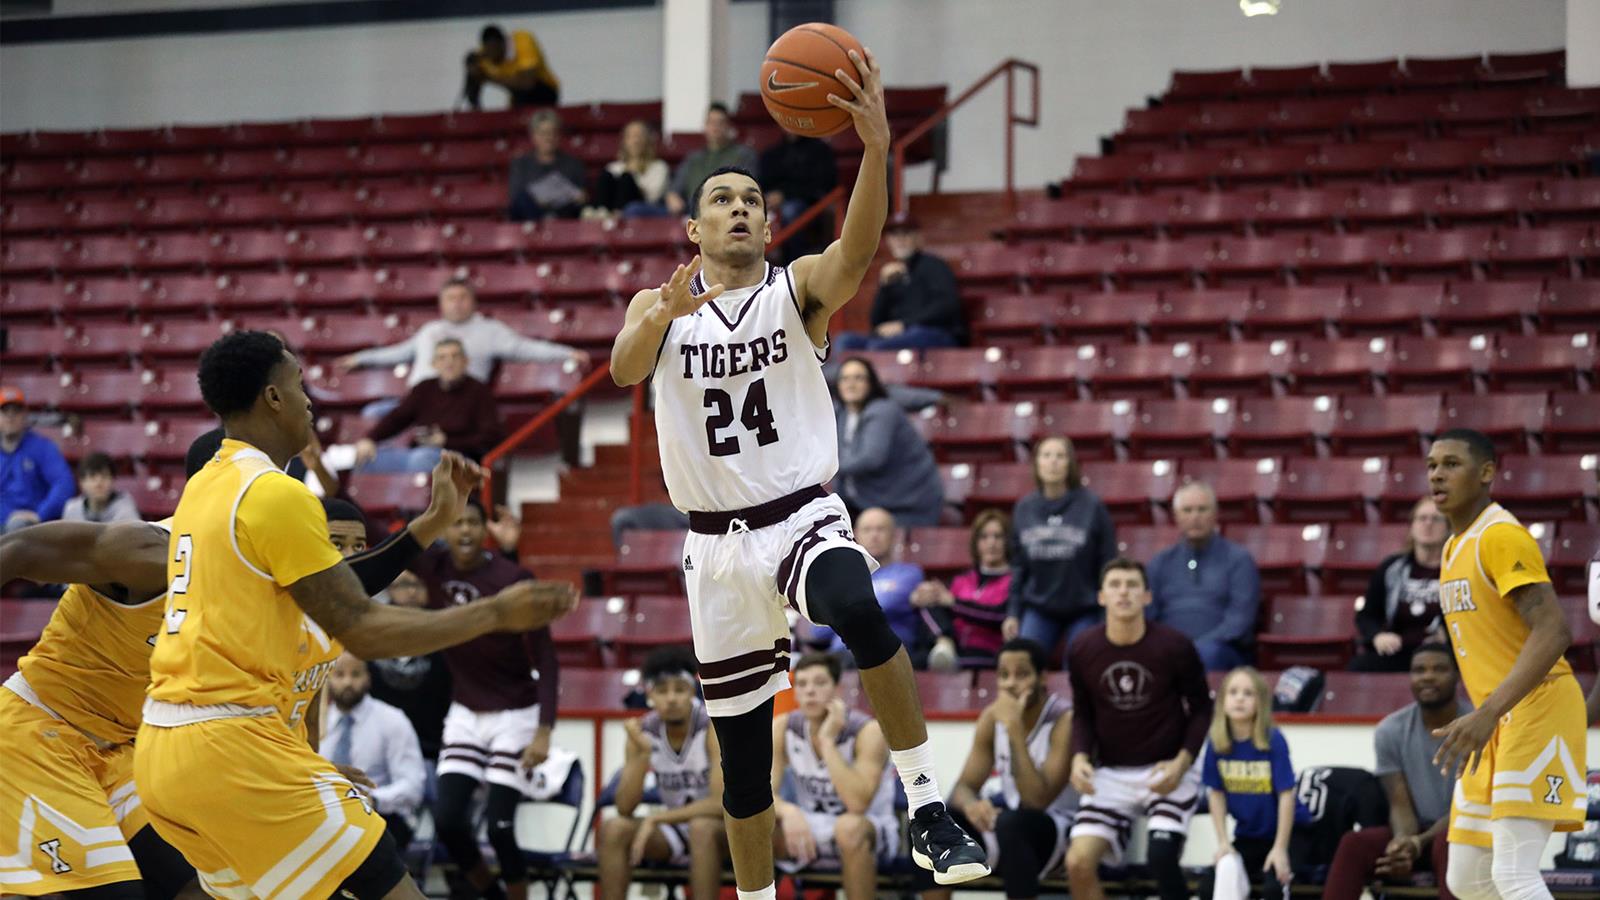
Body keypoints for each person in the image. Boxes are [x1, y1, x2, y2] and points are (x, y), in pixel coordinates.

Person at [608, 46, 989, 896]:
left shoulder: (796, 288)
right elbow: (624, 370)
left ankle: (927, 805)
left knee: (856, 604)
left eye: (752, 200)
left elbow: (858, 249)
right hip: (715, 549)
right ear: (694, 229)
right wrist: (660, 315)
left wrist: (876, 149)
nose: (739, 209)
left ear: (768, 225)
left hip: (799, 516)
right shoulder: (659, 309)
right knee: (744, 772)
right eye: (722, 200)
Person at [132, 330, 577, 900]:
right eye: (298, 384)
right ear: (273, 397)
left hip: (163, 749)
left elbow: (340, 586)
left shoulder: (205, 486)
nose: (309, 401)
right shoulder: (275, 493)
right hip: (233, 746)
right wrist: (495, 612)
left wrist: (430, 524)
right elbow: (362, 627)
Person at [0, 432, 500, 899]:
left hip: (126, 748)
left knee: (192, 884)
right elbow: (18, 549)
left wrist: (430, 523)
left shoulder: (244, 567)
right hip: (43, 727)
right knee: (113, 892)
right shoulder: (146, 549)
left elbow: (341, 588)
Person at [1426, 428, 1587, 900]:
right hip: (1494, 718)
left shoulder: (1500, 536)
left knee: (1514, 872)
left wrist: (1490, 712)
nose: (1437, 475)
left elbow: (1555, 631)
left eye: (1451, 464)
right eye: (1432, 465)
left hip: (1534, 708)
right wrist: (1489, 715)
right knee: (1466, 878)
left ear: (1486, 473)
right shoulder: (1453, 546)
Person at [412, 499, 562, 900]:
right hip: (465, 711)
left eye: (473, 523)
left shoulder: (515, 577)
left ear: (485, 531)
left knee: (500, 827)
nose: (464, 530)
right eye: (456, 523)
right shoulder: (435, 569)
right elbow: (379, 536)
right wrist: (333, 479)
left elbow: (547, 659)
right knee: (447, 821)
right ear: (443, 531)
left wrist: (544, 730)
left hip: (516, 713)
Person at [1064, 557, 1212, 900]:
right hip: (1111, 774)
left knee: (1160, 857)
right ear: (1101, 596)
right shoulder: (1083, 648)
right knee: (1077, 863)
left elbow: (1202, 709)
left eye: (1132, 585)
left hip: (1168, 768)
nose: (1124, 592)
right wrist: (1079, 757)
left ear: (1147, 596)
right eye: (1115, 585)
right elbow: (1083, 713)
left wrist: (1182, 762)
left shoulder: (1175, 645)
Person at [929, 638, 1077, 900]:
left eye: (1022, 675)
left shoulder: (1064, 720)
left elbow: (1036, 801)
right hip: (1012, 830)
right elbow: (962, 787)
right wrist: (973, 806)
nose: (1010, 683)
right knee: (934, 823)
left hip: (1063, 832)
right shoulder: (992, 717)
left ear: (1042, 678)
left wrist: (1015, 730)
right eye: (1003, 675)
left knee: (1013, 824)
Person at [1322, 642, 1468, 900]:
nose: (1428, 676)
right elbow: (1399, 802)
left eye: (1439, 669)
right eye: (1419, 670)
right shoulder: (1390, 730)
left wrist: (1420, 842)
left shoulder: (1477, 726)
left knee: (1448, 841)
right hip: (1416, 833)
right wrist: (1402, 842)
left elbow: (1470, 808)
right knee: (1354, 843)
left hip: (1467, 832)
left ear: (1457, 676)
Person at [598, 646, 727, 900]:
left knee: (701, 828)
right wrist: (642, 755)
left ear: (692, 691)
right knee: (613, 828)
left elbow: (719, 803)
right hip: (674, 829)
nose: (671, 698)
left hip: (719, 828)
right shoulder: (643, 730)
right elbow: (625, 807)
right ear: (650, 695)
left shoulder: (713, 726)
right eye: (662, 691)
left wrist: (658, 819)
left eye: (679, 690)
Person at [770, 652, 898, 898]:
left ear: (838, 689)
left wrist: (827, 742)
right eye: (802, 684)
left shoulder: (868, 731)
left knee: (849, 828)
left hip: (870, 828)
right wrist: (788, 811)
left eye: (819, 683)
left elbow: (857, 804)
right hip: (810, 826)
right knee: (759, 827)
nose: (810, 691)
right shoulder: (783, 726)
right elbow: (762, 795)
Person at [336, 278, 584, 388]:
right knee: (372, 415)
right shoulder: (430, 330)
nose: (456, 303)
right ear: (441, 304)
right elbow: (397, 353)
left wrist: (568, 353)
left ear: (473, 301)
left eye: (462, 297)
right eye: (450, 298)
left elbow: (526, 348)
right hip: (417, 400)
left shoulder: (489, 330)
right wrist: (360, 359)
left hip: (460, 402)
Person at [1001, 437, 1117, 662]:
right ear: (1036, 463)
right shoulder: (1024, 508)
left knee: (1080, 663)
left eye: (1060, 456)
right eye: (1046, 455)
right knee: (1023, 661)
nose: (1053, 461)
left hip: (1084, 608)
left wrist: (1106, 614)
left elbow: (1107, 562)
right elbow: (1018, 568)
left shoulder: (1092, 506)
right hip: (1039, 607)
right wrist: (1013, 614)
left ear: (1070, 464)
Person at [1199, 667, 1310, 900]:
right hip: (1249, 835)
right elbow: (1216, 794)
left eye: (1248, 693)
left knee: (1273, 888)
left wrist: (1280, 849)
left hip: (1290, 834)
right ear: (1222, 701)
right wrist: (1223, 842)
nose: (1239, 698)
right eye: (1233, 692)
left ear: (1261, 703)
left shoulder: (1273, 740)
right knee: (1209, 885)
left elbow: (1286, 796)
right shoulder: (1216, 744)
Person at [1146, 481, 1262, 672]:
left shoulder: (1239, 560)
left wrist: (1195, 647)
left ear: (1215, 514)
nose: (1195, 517)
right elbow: (1148, 616)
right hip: (1169, 649)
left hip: (1220, 651)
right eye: (1187, 510)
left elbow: (1240, 621)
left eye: (1202, 509)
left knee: (1208, 653)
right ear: (1176, 516)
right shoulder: (1160, 562)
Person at [799, 507, 931, 668]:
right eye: (867, 530)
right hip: (841, 658)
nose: (874, 535)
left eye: (880, 529)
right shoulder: (843, 578)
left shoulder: (909, 573)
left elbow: (888, 602)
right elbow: (818, 630)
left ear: (894, 535)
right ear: (855, 535)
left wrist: (843, 610)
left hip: (891, 654)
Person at [324, 652, 427, 855]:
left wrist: (373, 799)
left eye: (355, 674)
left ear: (369, 678)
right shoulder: (315, 723)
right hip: (326, 816)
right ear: (326, 679)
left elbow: (413, 786)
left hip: (380, 816)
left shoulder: (392, 720)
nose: (347, 682)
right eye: (340, 674)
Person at [355, 338, 503, 470]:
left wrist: (446, 441)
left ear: (466, 361)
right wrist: (370, 439)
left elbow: (490, 438)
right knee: (367, 459)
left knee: (422, 458)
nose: (449, 362)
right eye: (442, 357)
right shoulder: (424, 388)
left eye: (455, 356)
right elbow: (398, 417)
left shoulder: (480, 392)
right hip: (420, 452)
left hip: (461, 459)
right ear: (434, 364)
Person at [833, 356, 944, 526]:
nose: (851, 384)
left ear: (871, 383)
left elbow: (871, 458)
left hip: (905, 504)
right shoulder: (841, 413)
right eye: (845, 378)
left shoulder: (883, 410)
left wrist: (828, 468)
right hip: (868, 503)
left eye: (858, 378)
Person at [834, 213, 964, 351]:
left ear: (918, 237)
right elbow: (876, 322)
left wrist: (904, 324)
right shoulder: (892, 274)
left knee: (880, 347)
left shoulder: (934, 266)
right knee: (845, 341)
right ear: (888, 240)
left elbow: (947, 306)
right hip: (901, 336)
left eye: (906, 233)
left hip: (935, 333)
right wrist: (884, 286)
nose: (900, 240)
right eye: (894, 235)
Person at [368, 571, 455, 772]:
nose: (412, 592)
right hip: (379, 754)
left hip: (432, 751)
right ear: (390, 588)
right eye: (404, 584)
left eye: (419, 584)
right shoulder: (371, 631)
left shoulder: (446, 633)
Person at [1350, 498, 1448, 672]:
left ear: (1448, 527)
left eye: (1436, 519)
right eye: (1422, 518)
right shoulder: (1392, 568)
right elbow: (1366, 615)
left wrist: (1448, 635)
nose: (1428, 524)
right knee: (1358, 666)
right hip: (1398, 650)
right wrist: (1378, 636)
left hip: (1441, 652)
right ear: (1412, 526)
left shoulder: (1456, 567)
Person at [914, 509, 1013, 672]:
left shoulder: (1013, 581)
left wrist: (954, 603)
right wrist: (919, 597)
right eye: (984, 537)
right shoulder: (962, 580)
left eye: (998, 536)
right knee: (930, 600)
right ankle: (944, 642)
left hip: (988, 653)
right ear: (976, 542)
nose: (991, 543)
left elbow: (999, 616)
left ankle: (945, 649)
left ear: (1008, 541)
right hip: (955, 647)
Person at [663, 103, 760, 218]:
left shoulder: (744, 155)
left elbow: (749, 190)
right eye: (711, 122)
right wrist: (672, 197)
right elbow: (674, 189)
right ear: (705, 126)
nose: (715, 127)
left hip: (729, 215)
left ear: (729, 126)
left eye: (720, 123)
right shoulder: (693, 159)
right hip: (693, 216)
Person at [0, 385, 74, 532]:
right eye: (5, 412)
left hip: (33, 525)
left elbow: (64, 483)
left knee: (17, 527)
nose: (10, 417)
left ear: (25, 415)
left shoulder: (42, 447)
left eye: (16, 411)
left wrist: (40, 514)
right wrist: (7, 515)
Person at [760, 132, 837, 260]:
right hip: (773, 203)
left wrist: (784, 195)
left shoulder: (820, 150)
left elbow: (822, 185)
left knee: (790, 211)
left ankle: (794, 261)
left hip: (811, 204)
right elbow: (765, 182)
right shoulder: (773, 153)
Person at [508, 109, 588, 221]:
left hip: (563, 216)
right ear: (533, 136)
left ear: (559, 135)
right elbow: (516, 197)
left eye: (553, 133)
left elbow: (581, 197)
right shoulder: (521, 164)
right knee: (522, 200)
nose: (549, 138)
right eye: (543, 133)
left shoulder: (573, 164)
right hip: (530, 217)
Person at [464, 24, 559, 109]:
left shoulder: (523, 41)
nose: (492, 61)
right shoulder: (484, 55)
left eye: (494, 51)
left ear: (502, 44)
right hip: (518, 95)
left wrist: (488, 78)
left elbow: (528, 83)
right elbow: (475, 75)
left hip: (544, 90)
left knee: (525, 92)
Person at [593, 119, 672, 218]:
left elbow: (653, 198)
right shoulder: (612, 167)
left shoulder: (659, 167)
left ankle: (617, 216)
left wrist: (634, 177)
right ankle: (600, 214)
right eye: (630, 136)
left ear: (648, 140)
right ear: (624, 141)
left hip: (641, 209)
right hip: (609, 209)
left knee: (626, 178)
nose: (635, 141)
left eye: (639, 136)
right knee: (607, 176)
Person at [62, 451, 141, 523]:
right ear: (81, 482)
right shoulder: (72, 510)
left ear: (113, 480)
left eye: (104, 476)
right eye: (92, 477)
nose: (98, 483)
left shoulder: (125, 510)